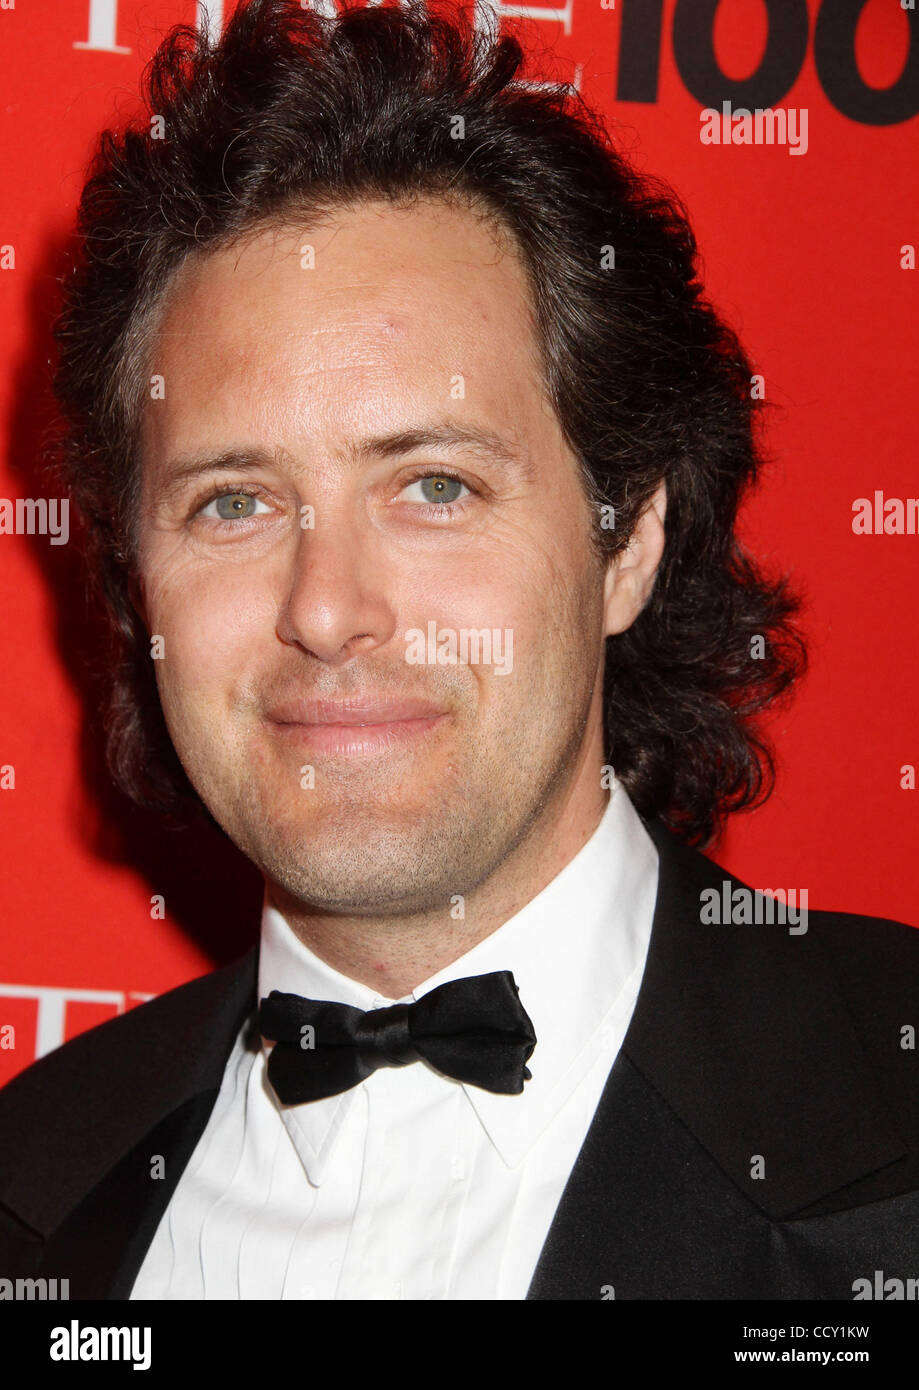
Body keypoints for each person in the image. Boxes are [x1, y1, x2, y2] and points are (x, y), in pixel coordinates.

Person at [1, 0, 916, 1302]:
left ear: (630, 536)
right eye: (233, 501)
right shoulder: (28, 1183)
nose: (327, 607)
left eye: (432, 486)